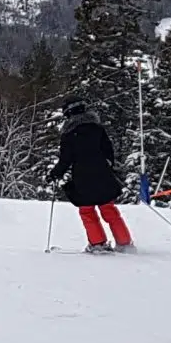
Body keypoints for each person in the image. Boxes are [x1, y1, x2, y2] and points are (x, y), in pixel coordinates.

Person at [55, 98, 133, 254]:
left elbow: (66, 159)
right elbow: (108, 151)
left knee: (87, 210)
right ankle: (124, 243)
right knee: (108, 208)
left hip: (82, 177)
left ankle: (98, 243)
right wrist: (108, 165)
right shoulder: (98, 129)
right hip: (103, 174)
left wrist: (55, 174)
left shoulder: (69, 134)